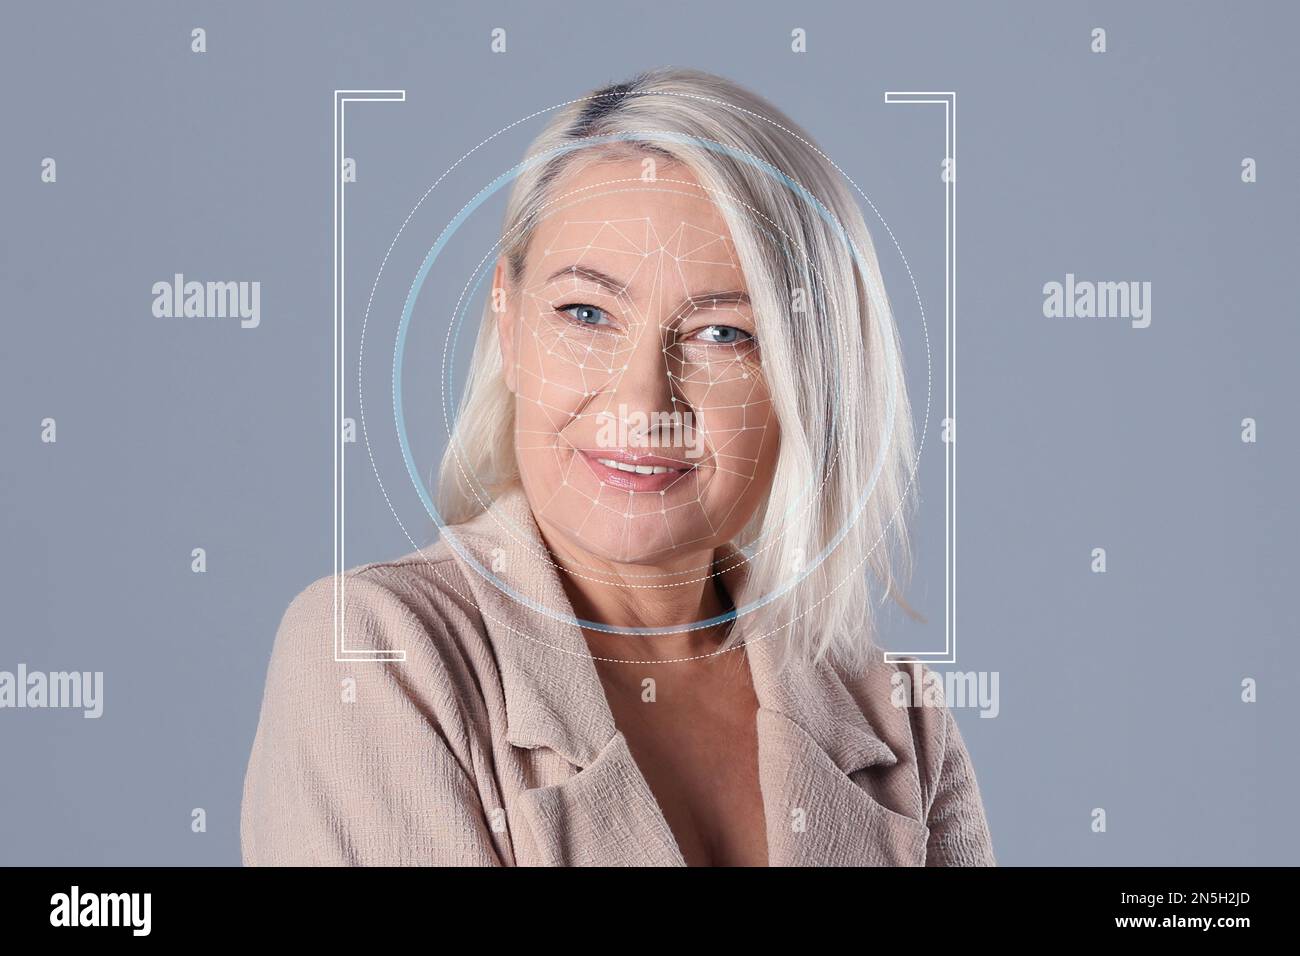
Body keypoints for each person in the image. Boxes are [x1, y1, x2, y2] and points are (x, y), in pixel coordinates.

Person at [241, 66, 995, 867]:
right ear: (509, 323)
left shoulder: (895, 714)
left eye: (722, 333)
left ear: (810, 372)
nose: (642, 398)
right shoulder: (378, 653)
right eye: (587, 313)